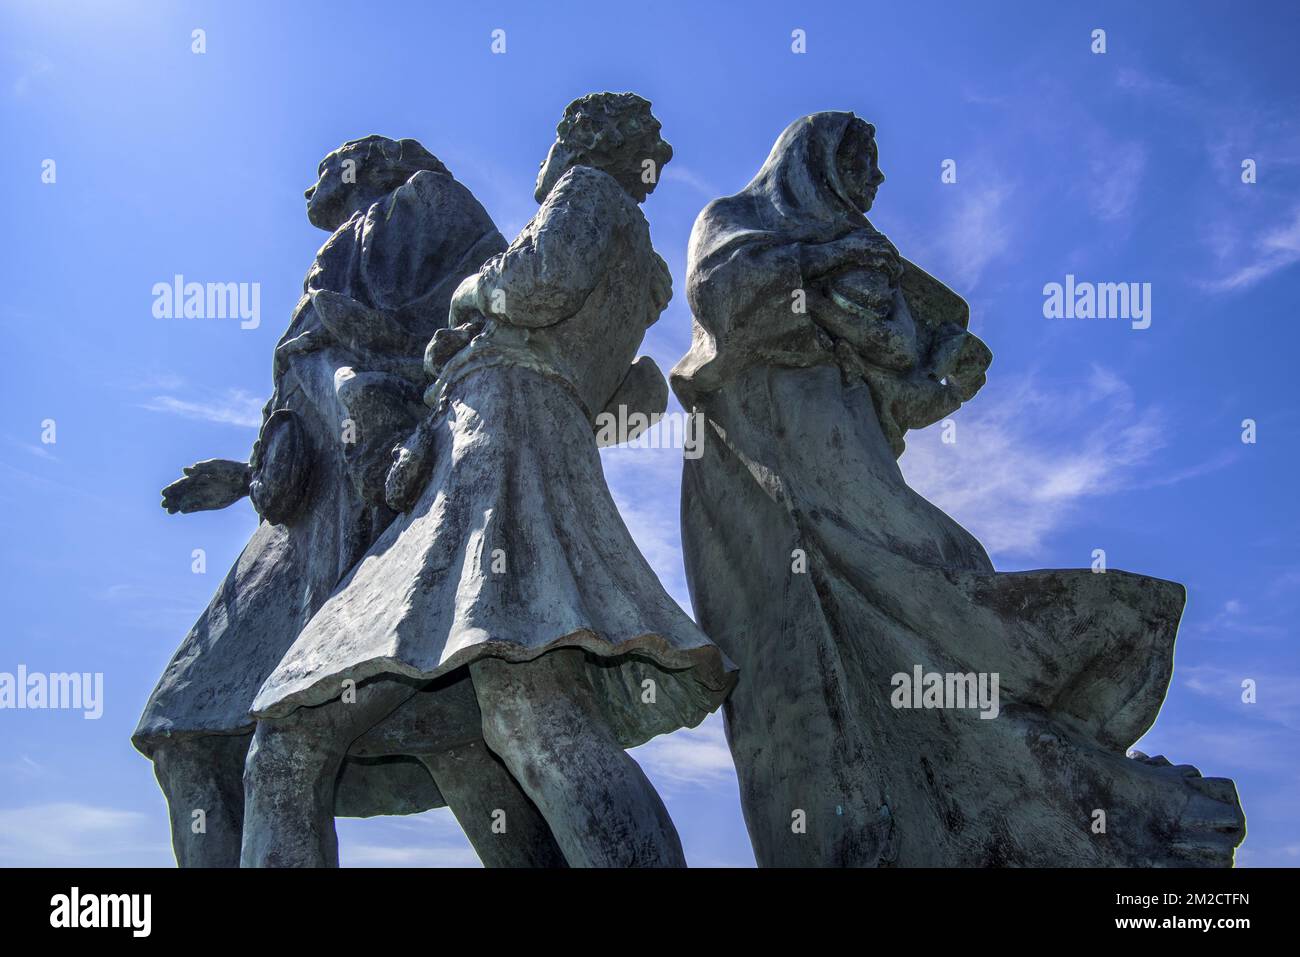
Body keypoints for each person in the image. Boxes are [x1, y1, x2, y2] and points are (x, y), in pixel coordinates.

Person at [671, 112, 1245, 866]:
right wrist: (833, 263)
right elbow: (724, 300)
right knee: (816, 651)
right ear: (817, 162)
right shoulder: (739, 222)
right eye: (862, 165)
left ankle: (1002, 799)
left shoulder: (867, 260)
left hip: (853, 462)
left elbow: (901, 387)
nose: (874, 184)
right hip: (766, 468)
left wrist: (945, 374)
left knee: (935, 590)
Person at [242, 93, 737, 868]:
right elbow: (629, 401)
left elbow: (533, 282)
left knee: (308, 735)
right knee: (522, 713)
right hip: (528, 439)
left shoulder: (586, 192)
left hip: (493, 446)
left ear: (577, 142)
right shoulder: (643, 271)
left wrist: (470, 296)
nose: (541, 163)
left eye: (551, 147)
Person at [134, 136, 563, 867]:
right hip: (298, 530)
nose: (315, 176)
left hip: (394, 489)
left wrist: (372, 374)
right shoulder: (331, 252)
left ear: (366, 164)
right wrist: (243, 475)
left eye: (327, 161)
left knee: (450, 737)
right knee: (184, 732)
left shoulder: (430, 202)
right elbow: (303, 411)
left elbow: (480, 320)